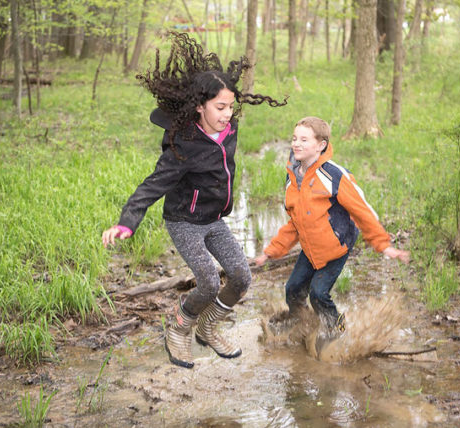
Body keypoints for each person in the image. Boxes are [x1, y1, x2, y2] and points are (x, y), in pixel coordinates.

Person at [102, 33, 285, 369]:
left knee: (242, 278)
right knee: (209, 281)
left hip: (213, 219)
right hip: (184, 220)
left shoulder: (230, 130)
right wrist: (127, 222)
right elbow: (153, 184)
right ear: (199, 106)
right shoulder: (182, 143)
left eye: (231, 106)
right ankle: (180, 327)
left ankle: (208, 327)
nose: (228, 113)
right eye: (220, 107)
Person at [254, 117, 409, 351]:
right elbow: (294, 223)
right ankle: (304, 321)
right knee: (293, 289)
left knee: (318, 293)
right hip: (310, 247)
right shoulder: (293, 178)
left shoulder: (333, 175)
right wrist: (271, 252)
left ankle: (335, 326)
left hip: (336, 247)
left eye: (304, 140)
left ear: (321, 145)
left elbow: (362, 211)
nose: (296, 144)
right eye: (294, 138)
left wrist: (383, 245)